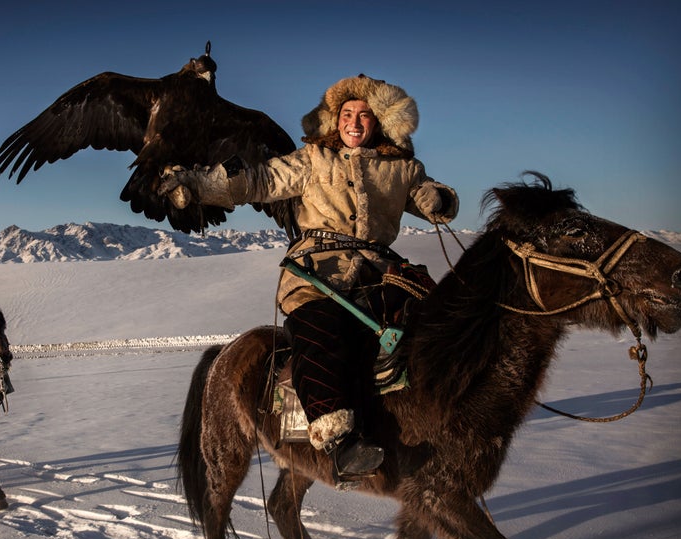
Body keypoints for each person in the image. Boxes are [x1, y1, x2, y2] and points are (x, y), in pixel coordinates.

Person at [158, 74, 458, 479]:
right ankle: (339, 440)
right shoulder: (313, 159)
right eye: (346, 114)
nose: (354, 123)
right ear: (334, 120)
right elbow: (261, 180)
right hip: (319, 271)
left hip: (381, 271)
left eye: (364, 115)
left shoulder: (402, 167)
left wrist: (438, 199)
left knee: (435, 322)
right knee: (321, 330)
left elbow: (430, 197)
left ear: (382, 122)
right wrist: (197, 185)